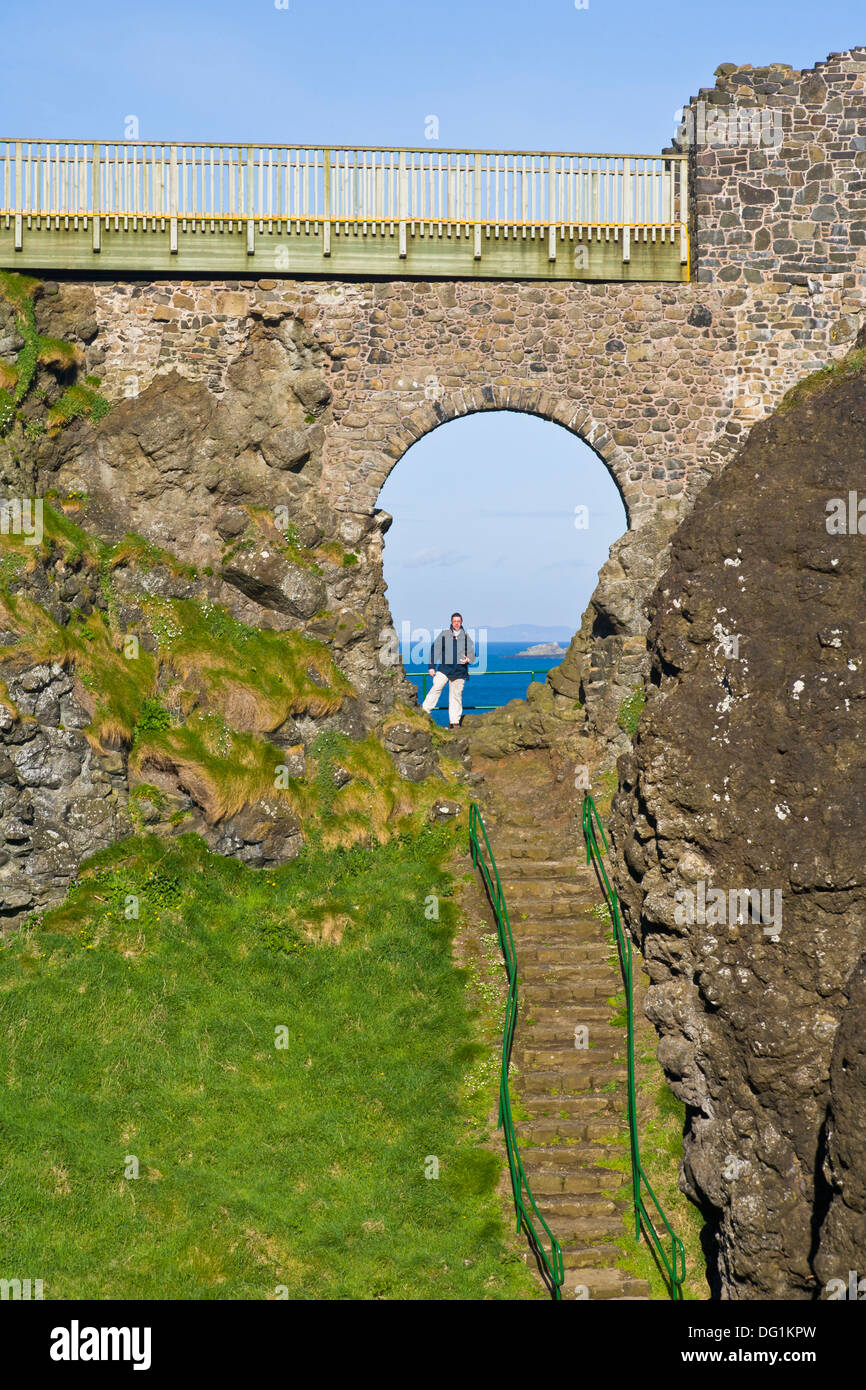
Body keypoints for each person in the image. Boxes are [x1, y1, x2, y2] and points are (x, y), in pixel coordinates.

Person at [422, 613, 475, 728]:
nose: (456, 623)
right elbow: (435, 650)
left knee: (456, 697)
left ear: (461, 623)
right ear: (451, 622)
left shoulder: (466, 637)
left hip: (459, 672)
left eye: (458, 621)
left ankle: (454, 722)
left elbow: (472, 653)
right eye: (454, 621)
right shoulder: (444, 635)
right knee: (435, 689)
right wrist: (431, 667)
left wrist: (468, 659)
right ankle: (423, 712)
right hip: (444, 670)